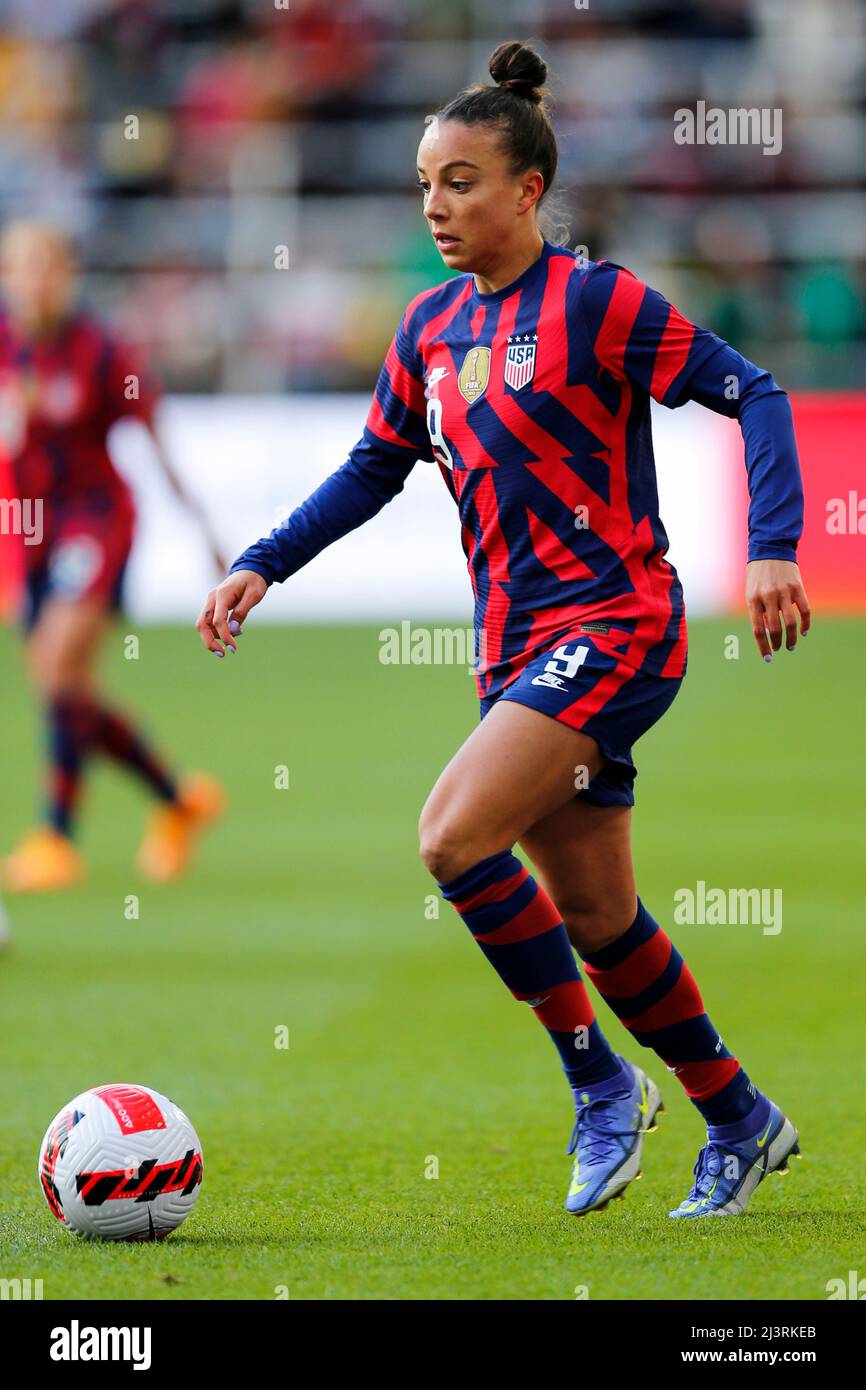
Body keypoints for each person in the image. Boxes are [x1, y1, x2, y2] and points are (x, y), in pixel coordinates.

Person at [196, 42, 810, 1218]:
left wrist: (774, 540)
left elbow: (755, 391)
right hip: (513, 654)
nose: (436, 204)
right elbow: (374, 467)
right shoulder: (427, 329)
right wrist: (261, 561)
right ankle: (736, 1115)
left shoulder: (596, 301)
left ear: (527, 191)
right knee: (597, 916)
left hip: (617, 624)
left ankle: (598, 1088)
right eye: (425, 183)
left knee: (450, 837)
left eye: (461, 181)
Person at [0, 221, 224, 892]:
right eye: (20, 267)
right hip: (26, 531)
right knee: (62, 690)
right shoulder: (5, 348)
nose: (33, 280)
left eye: (46, 266)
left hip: (96, 523)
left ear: (67, 274)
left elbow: (156, 436)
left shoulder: (100, 350)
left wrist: (203, 529)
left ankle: (55, 840)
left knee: (64, 666)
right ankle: (178, 799)